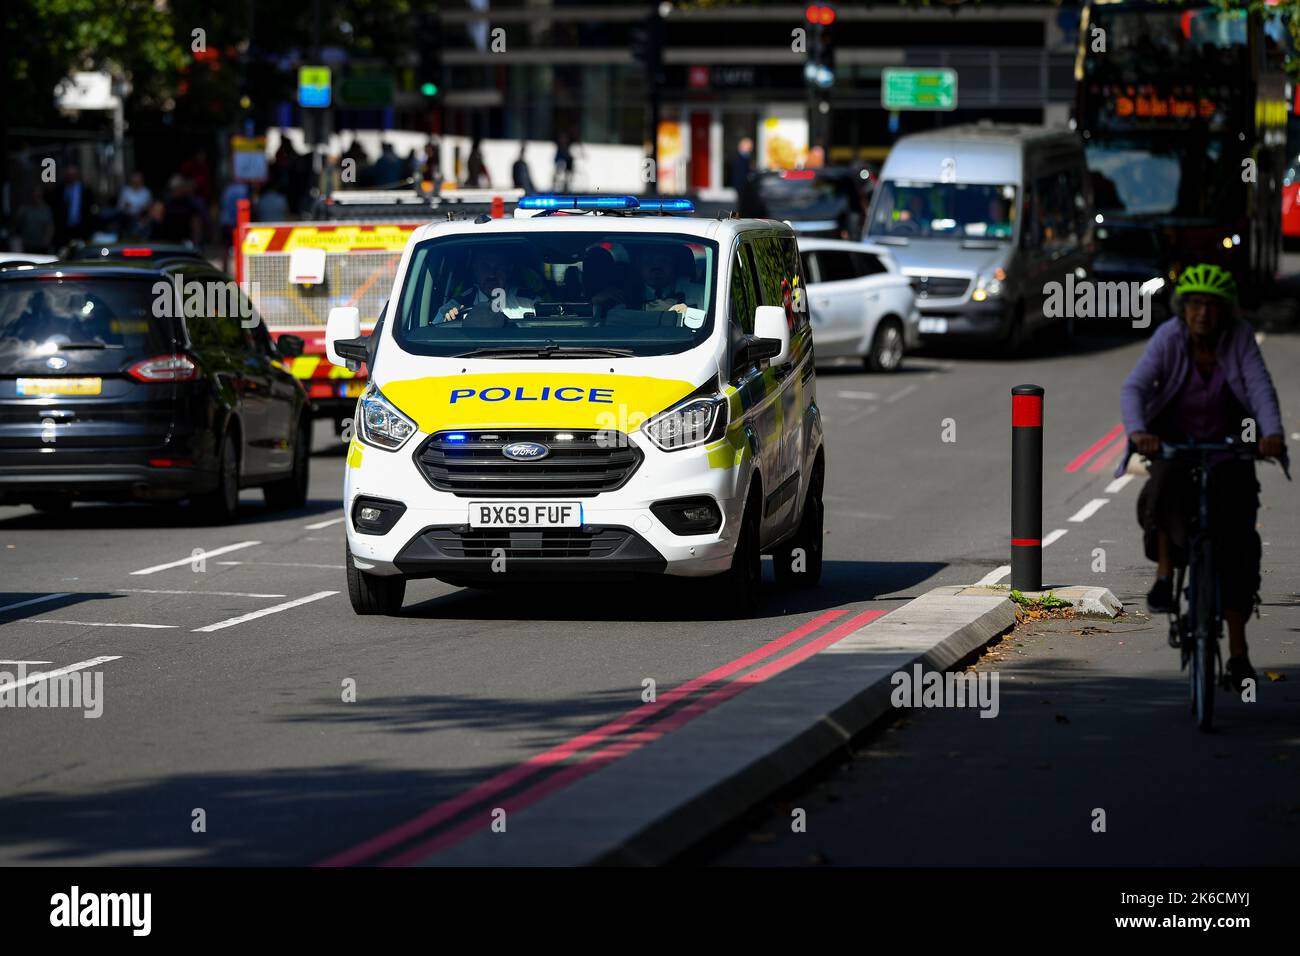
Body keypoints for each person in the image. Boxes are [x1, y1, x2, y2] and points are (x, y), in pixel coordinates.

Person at [1118, 264, 1287, 691]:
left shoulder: (1240, 337)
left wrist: (1270, 435)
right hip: (1175, 443)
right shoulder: (1169, 337)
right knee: (1162, 488)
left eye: (1212, 306)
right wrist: (1140, 432)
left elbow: (1260, 387)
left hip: (1230, 446)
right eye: (1195, 304)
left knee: (1239, 542)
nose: (1203, 314)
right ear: (1183, 308)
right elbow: (1134, 387)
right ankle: (1163, 573)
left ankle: (1238, 653)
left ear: (1226, 311)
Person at [437, 248, 534, 323]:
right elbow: (433, 333)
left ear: (508, 271)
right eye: (485, 267)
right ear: (475, 270)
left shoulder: (529, 302)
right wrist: (449, 324)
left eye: (499, 267)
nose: (492, 274)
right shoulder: (458, 305)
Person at [10, 186, 55, 253]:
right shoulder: (24, 209)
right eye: (34, 195)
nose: (35, 197)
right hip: (26, 245)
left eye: (38, 195)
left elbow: (50, 226)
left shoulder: (46, 210)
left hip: (41, 246)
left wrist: (46, 241)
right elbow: (16, 225)